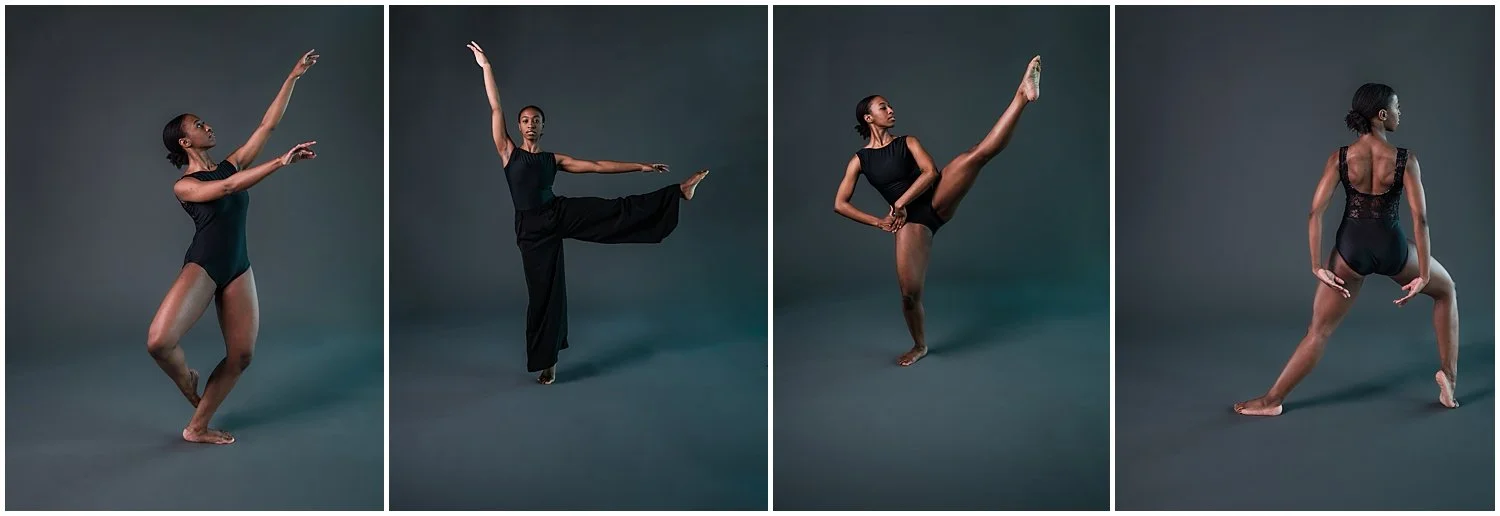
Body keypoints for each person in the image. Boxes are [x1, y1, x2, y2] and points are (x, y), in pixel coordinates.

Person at [466, 41, 710, 385]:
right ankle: (548, 362)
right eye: (525, 120)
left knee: (613, 210)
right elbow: (495, 107)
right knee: (544, 295)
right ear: (519, 127)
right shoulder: (508, 152)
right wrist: (486, 67)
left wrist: (640, 166)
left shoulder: (553, 160)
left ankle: (678, 192)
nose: (531, 124)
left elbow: (596, 165)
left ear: (543, 127)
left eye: (536, 120)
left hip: (557, 212)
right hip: (531, 230)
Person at [1235, 83, 1461, 416]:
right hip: (1392, 248)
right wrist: (1424, 274)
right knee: (1446, 291)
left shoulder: (1341, 158)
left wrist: (1317, 266)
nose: (1400, 113)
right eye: (1397, 108)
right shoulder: (1404, 160)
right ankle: (1449, 380)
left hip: (1349, 250)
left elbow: (1315, 212)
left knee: (1318, 331)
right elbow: (1421, 220)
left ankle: (1272, 400)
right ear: (1381, 115)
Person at [148, 50, 321, 444]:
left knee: (242, 355)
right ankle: (186, 379)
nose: (208, 126)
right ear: (185, 141)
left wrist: (293, 77)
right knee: (159, 342)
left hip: (238, 266)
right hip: (205, 263)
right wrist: (279, 163)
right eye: (199, 125)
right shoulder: (185, 186)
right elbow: (226, 188)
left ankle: (197, 427)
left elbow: (267, 125)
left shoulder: (232, 163)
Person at [833, 56, 1042, 366]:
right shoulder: (859, 160)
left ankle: (1022, 95)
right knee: (909, 295)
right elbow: (840, 204)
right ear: (868, 118)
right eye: (883, 107)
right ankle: (919, 346)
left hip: (934, 198)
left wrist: (900, 203)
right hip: (911, 224)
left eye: (889, 106)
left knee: (976, 155)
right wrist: (879, 222)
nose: (890, 110)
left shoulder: (907, 142)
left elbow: (930, 173)